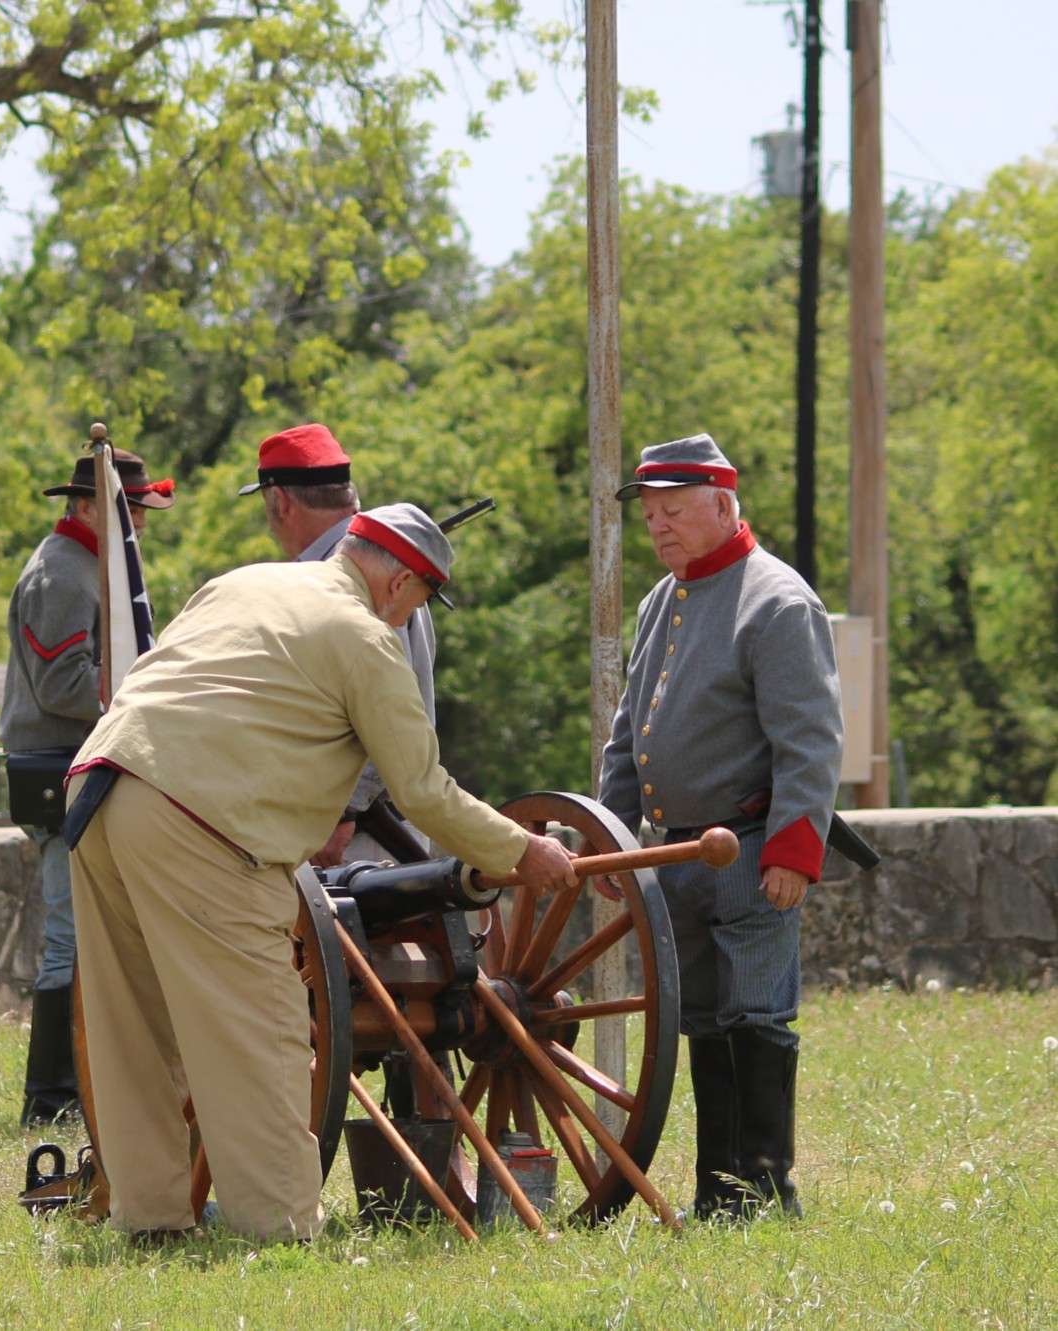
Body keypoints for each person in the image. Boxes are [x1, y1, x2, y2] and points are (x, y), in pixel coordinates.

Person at [66, 503, 578, 1242]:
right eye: (420, 603)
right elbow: (423, 790)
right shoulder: (367, 638)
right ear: (401, 582)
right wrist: (520, 851)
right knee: (263, 1026)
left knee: (132, 1021)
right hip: (196, 815)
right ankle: (279, 1229)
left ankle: (150, 1218)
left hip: (99, 783)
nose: (411, 619)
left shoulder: (243, 583)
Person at [599, 433, 843, 1220]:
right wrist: (614, 832)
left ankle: (767, 1190)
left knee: (755, 1014)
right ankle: (720, 1191)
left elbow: (809, 740)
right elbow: (629, 728)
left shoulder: (778, 600)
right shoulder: (660, 601)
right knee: (705, 1018)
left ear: (723, 504)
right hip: (674, 854)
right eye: (649, 515)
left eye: (673, 511)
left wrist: (795, 850)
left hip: (748, 853)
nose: (659, 527)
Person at [0, 449, 176, 1125]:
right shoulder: (63, 574)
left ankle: (83, 1087)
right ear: (86, 507)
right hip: (60, 768)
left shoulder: (89, 567)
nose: (138, 523)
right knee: (69, 938)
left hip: (84, 766)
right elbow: (62, 684)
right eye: (128, 510)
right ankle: (51, 1099)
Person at [240, 423, 437, 867]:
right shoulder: (370, 560)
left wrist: (344, 811)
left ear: (281, 503)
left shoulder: (358, 572)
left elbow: (385, 707)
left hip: (360, 830)